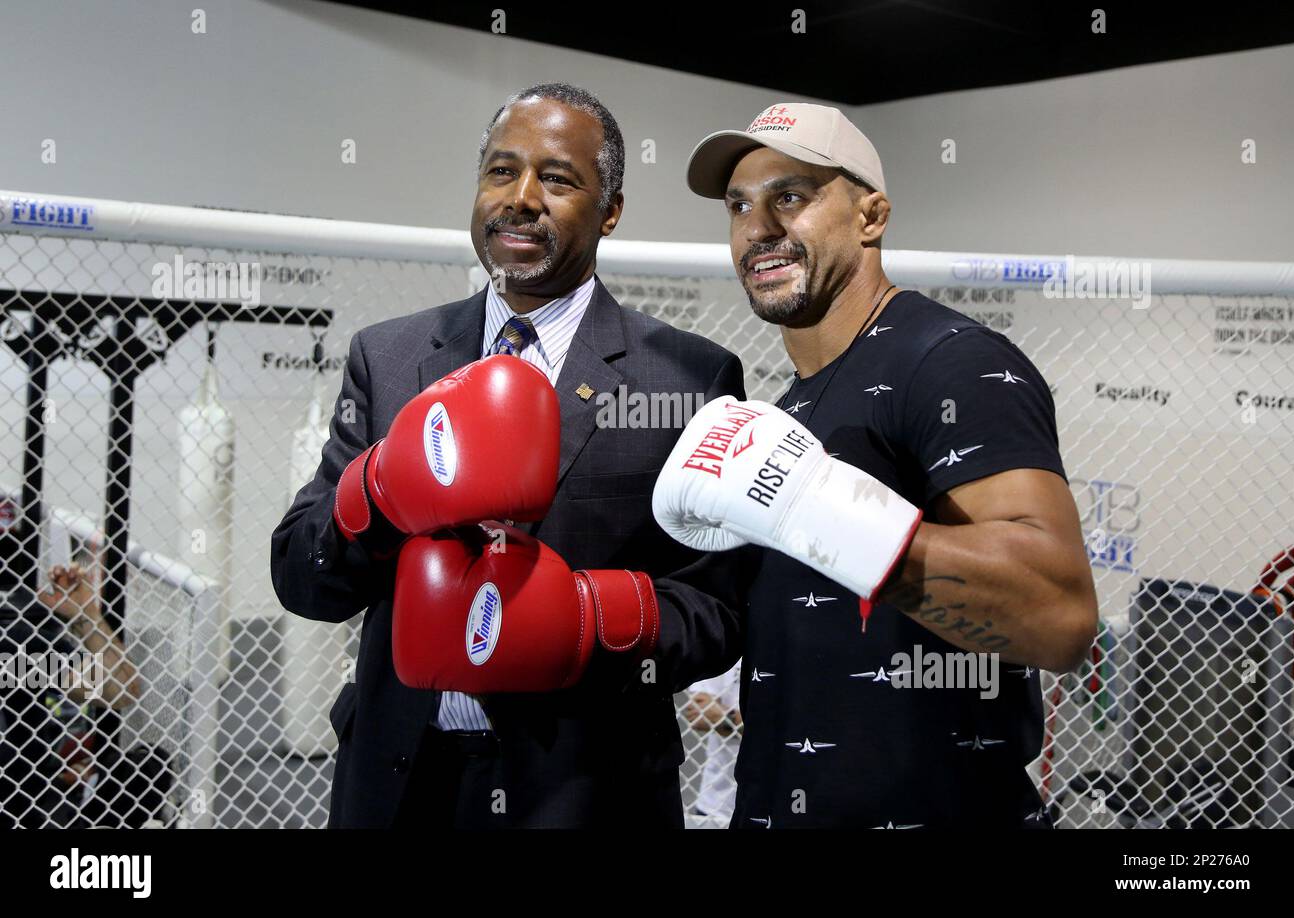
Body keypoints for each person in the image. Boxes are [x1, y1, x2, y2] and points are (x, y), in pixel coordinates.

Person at [270, 83, 747, 828]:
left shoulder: (686, 377)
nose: (522, 197)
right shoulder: (390, 358)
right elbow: (305, 579)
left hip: (585, 789)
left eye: (557, 178)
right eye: (501, 171)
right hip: (401, 782)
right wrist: (380, 492)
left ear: (610, 211)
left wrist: (586, 619)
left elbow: (716, 611)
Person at [652, 102, 1100, 828]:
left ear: (871, 216)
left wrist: (815, 510)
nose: (758, 227)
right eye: (739, 206)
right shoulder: (790, 410)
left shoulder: (951, 363)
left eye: (790, 197)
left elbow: (1060, 616)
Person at [0, 558, 144, 828]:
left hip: (18, 818)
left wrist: (86, 617)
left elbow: (120, 689)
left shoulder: (11, 654)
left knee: (147, 769)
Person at [683, 660, 742, 826]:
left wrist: (724, 718)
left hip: (772, 800)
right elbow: (698, 711)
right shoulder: (736, 640)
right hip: (717, 802)